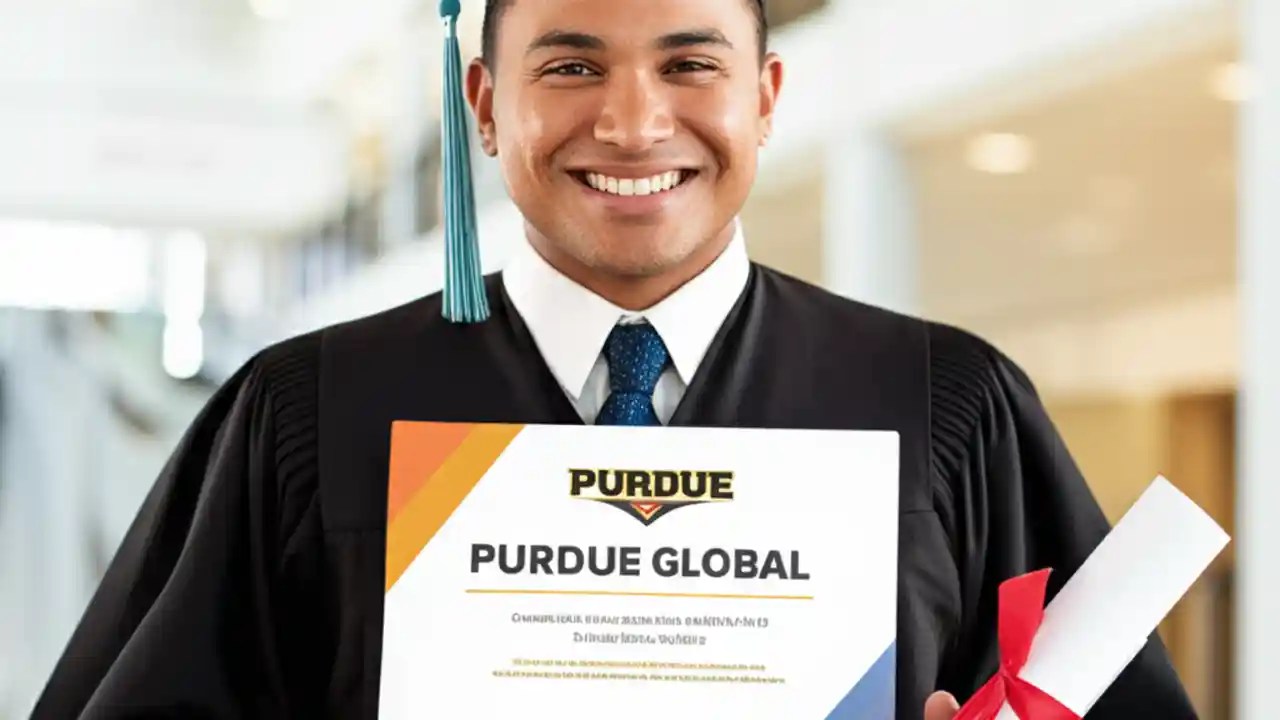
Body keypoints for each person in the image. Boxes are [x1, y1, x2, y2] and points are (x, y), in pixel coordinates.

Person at [33, 0, 1197, 718]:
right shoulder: (309, 415)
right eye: (572, 66)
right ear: (483, 106)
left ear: (765, 95)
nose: (635, 125)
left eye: (690, 65)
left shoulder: (941, 408)